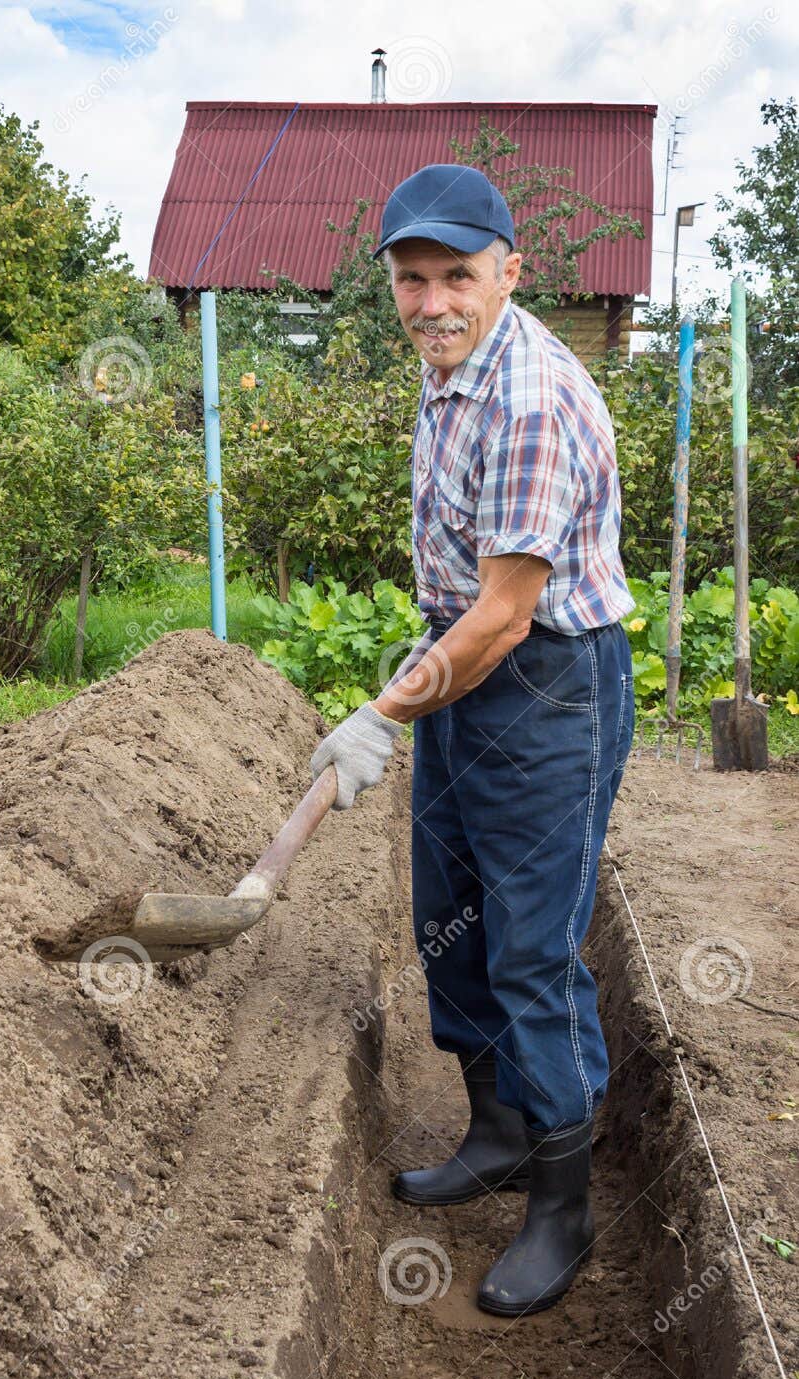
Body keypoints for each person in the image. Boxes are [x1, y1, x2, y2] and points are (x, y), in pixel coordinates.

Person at [310, 163, 636, 1318]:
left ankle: (562, 1206)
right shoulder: (452, 363)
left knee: (529, 951)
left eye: (458, 275)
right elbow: (468, 608)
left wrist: (377, 712)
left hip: (543, 683)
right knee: (446, 916)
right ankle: (495, 1130)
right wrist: (417, 693)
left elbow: (505, 612)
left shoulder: (530, 396)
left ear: (509, 268)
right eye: (411, 279)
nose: (433, 301)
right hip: (468, 664)